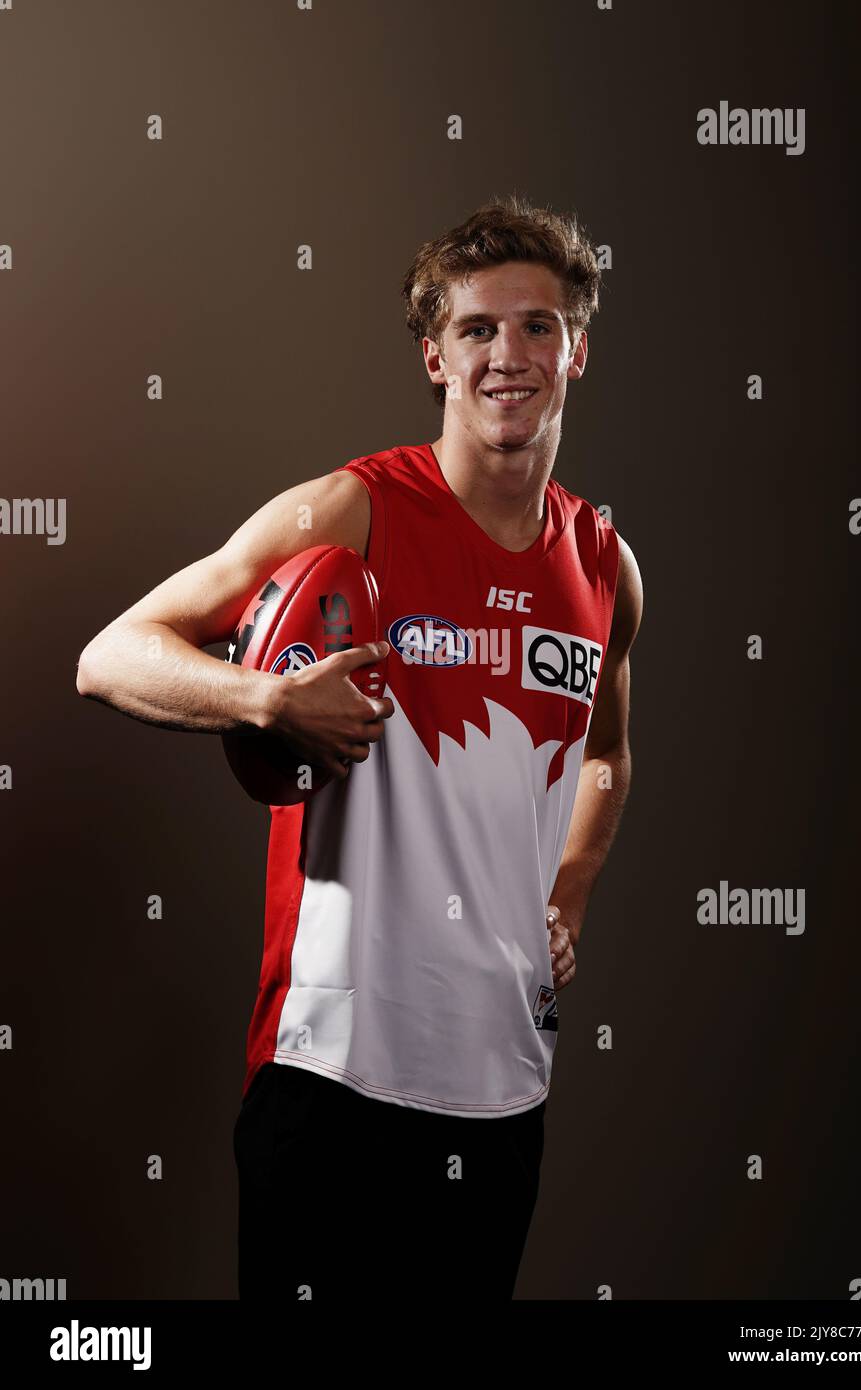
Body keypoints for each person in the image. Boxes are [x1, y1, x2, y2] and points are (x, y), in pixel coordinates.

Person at [76, 194, 644, 1302]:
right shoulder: (356, 511)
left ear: (578, 350)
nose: (507, 355)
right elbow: (109, 655)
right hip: (333, 1073)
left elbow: (609, 756)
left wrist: (566, 896)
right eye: (476, 329)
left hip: (503, 1083)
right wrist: (266, 699)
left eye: (536, 326)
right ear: (435, 356)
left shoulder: (604, 565)